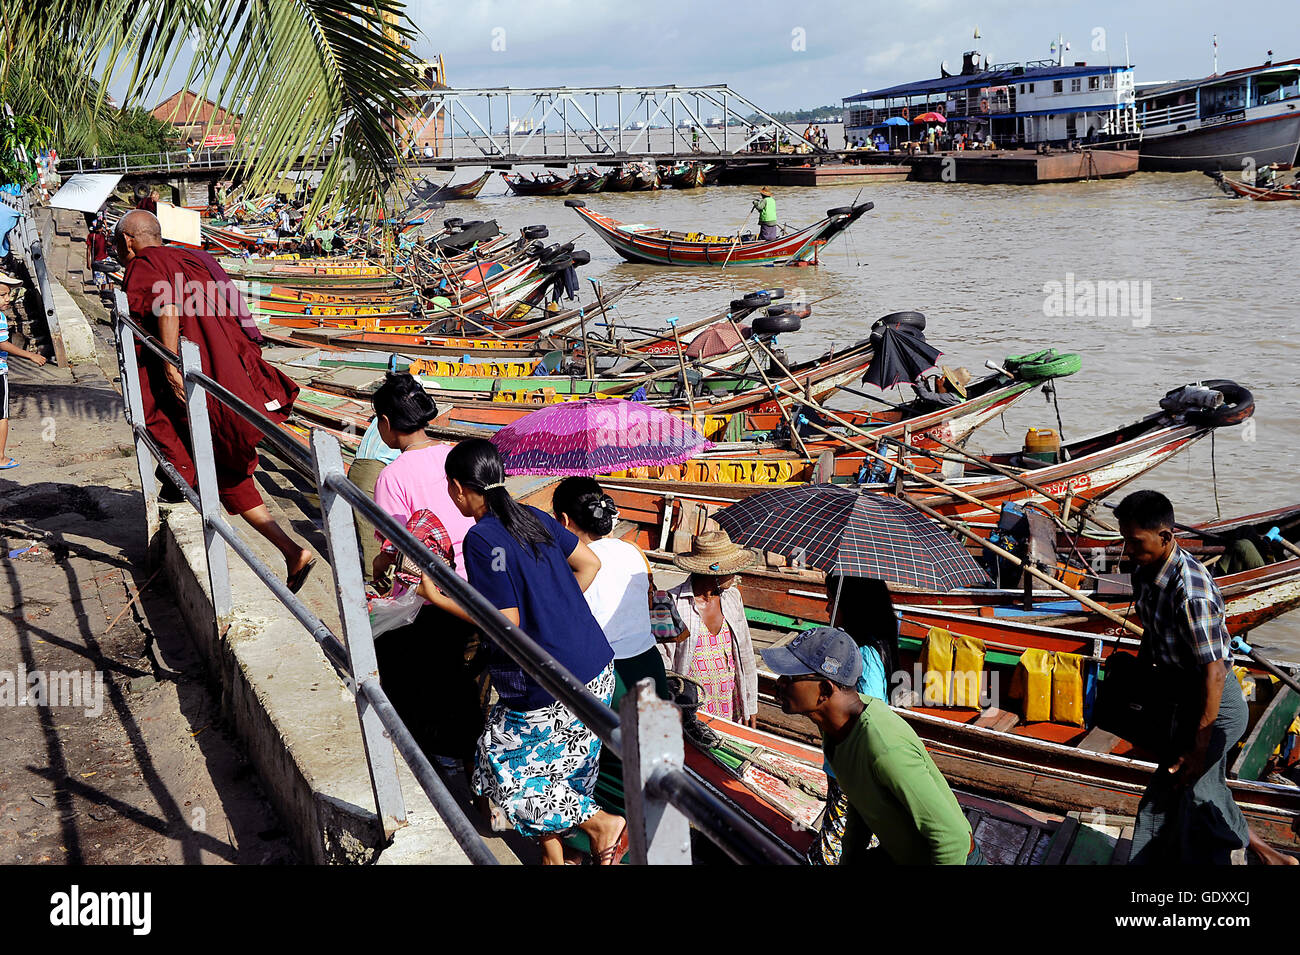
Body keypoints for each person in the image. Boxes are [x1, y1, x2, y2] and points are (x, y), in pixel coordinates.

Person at [418, 439, 626, 864]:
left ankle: (603, 826)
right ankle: (558, 857)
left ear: (458, 488)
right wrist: (554, 613)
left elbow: (504, 621)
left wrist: (441, 601)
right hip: (595, 664)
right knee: (568, 774)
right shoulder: (534, 516)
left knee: (501, 768)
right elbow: (590, 565)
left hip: (547, 680)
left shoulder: (482, 538)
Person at [115, 210, 316, 592]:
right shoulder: (196, 258)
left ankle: (179, 482)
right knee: (229, 475)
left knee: (187, 452)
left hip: (192, 382)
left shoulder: (147, 263)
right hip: (226, 375)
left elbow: (167, 306)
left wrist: (172, 364)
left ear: (128, 241)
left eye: (116, 244)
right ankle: (292, 551)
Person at [1115, 490, 1297, 865]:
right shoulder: (1144, 571)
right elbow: (1153, 633)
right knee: (1204, 788)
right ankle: (1271, 857)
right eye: (1124, 540)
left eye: (1135, 542)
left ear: (1166, 537)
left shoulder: (1191, 591)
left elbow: (1215, 671)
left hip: (1217, 708)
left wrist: (1199, 745)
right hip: (1181, 697)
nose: (1128, 551)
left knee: (1183, 787)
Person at [764, 626, 982, 864]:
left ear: (824, 690)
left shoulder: (884, 747)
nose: (780, 683)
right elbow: (860, 799)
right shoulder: (835, 726)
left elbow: (952, 842)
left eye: (790, 678)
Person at [552, 477, 669, 814]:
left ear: (563, 521)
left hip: (608, 675)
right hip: (648, 667)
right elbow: (648, 599)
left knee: (600, 767)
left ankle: (604, 837)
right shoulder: (632, 551)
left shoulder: (573, 563)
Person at [804, 574, 898, 864]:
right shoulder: (858, 648)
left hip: (850, 766)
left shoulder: (863, 654)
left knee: (836, 844)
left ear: (851, 606)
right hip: (845, 765)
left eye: (831, 602)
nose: (826, 610)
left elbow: (868, 711)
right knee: (840, 831)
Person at [661, 531, 760, 727]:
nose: (735, 573)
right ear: (713, 571)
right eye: (730, 569)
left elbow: (746, 652)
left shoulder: (732, 598)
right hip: (691, 708)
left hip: (730, 702)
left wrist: (751, 706)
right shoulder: (668, 603)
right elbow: (663, 664)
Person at [0, 284, 48, 469]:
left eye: (9, 294)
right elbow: (3, 344)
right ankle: (1, 457)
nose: (8, 299)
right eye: (3, 295)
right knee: (2, 416)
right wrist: (30, 355)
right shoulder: (1, 318)